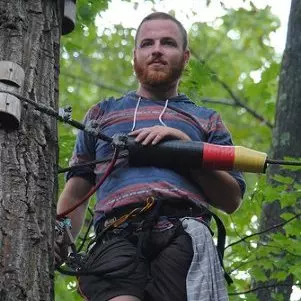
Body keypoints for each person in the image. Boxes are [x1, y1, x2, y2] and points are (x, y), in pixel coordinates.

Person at [55, 12, 246, 301]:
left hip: (183, 233)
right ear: (135, 56)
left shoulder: (207, 121)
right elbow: (79, 186)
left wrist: (185, 149)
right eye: (147, 43)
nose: (156, 49)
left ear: (185, 57)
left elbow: (231, 199)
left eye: (167, 43)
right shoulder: (101, 114)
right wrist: (61, 232)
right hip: (116, 234)